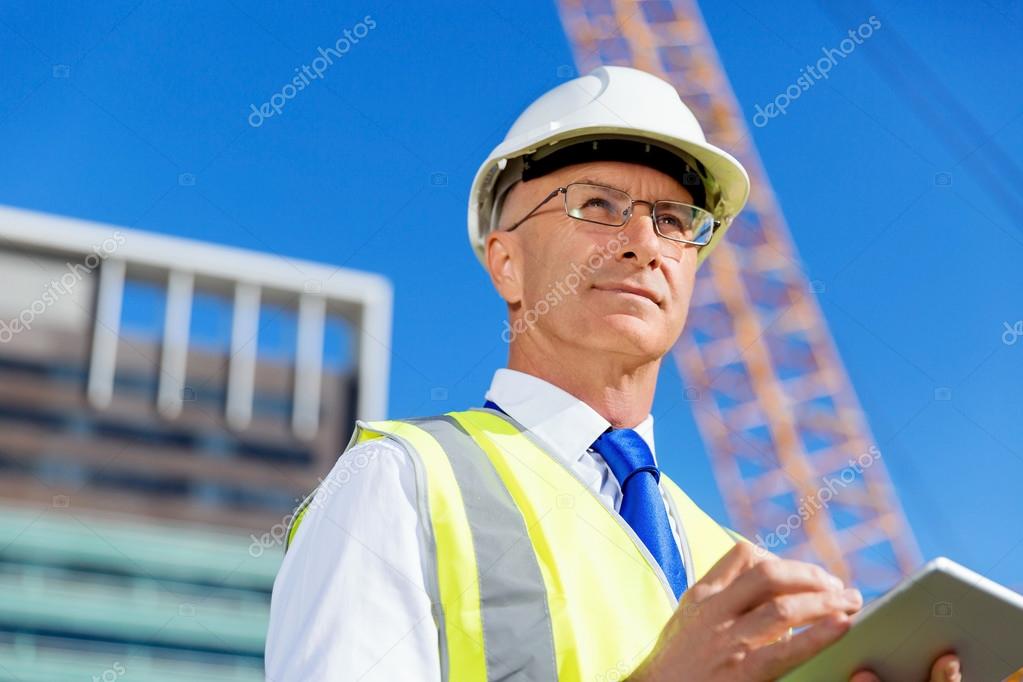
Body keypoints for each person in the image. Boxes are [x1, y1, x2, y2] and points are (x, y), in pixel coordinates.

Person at [265, 65, 961, 682]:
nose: (643, 245)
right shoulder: (397, 480)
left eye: (674, 219)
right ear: (505, 262)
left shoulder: (736, 562)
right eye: (597, 206)